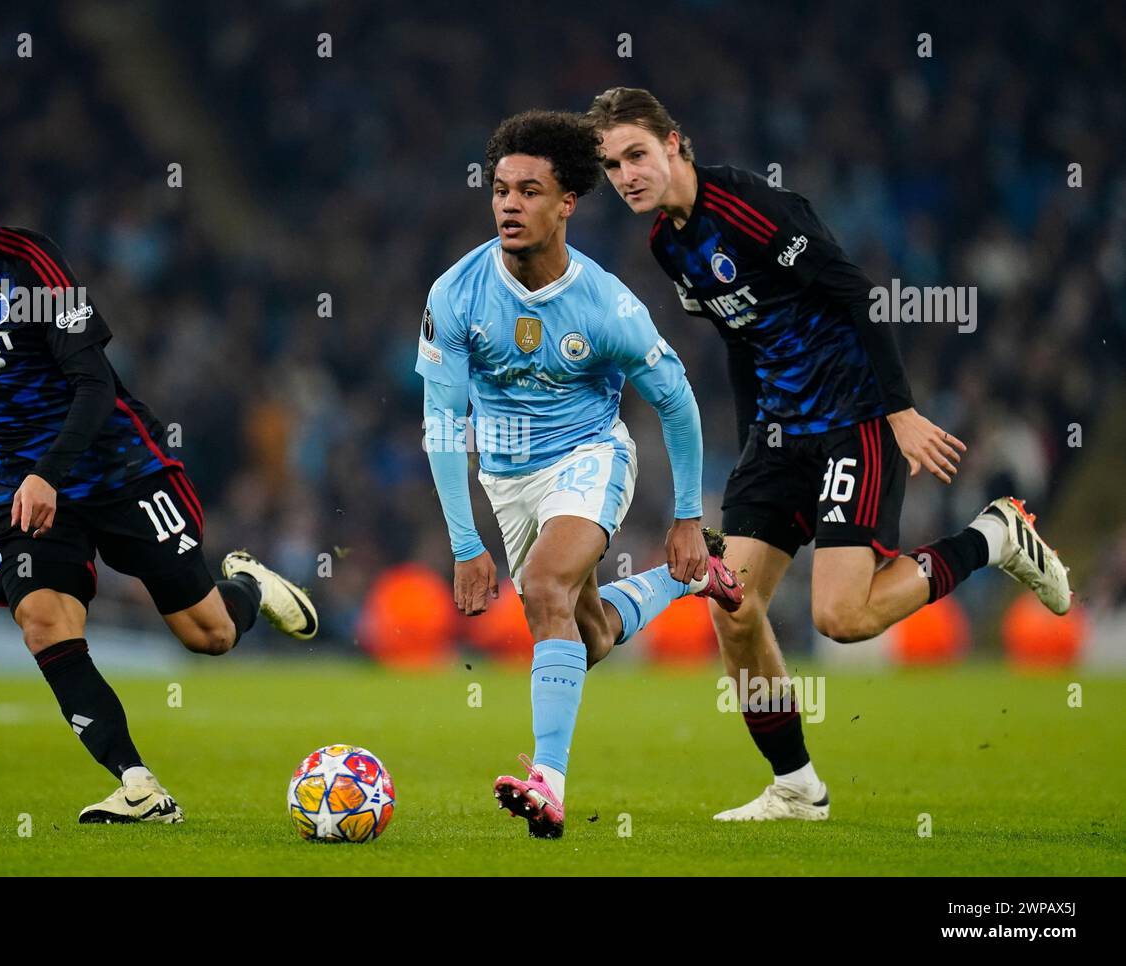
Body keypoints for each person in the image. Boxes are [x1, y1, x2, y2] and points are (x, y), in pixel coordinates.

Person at [588, 88, 1072, 821]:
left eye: (636, 154)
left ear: (674, 144)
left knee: (842, 619)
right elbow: (738, 338)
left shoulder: (749, 208)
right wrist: (755, 439)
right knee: (733, 603)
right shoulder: (667, 244)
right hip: (782, 435)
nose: (626, 174)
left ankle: (993, 536)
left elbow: (855, 293)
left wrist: (900, 410)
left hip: (855, 420)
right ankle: (797, 788)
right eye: (611, 164)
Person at [0, 137, 319, 824]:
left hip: (119, 468)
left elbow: (93, 384)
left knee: (206, 635)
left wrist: (47, 472)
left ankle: (247, 586)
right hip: (23, 493)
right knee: (43, 619)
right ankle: (138, 784)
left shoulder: (32, 269)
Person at [416, 111, 741, 839]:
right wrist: (465, 543)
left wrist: (687, 514)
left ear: (567, 203)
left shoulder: (607, 307)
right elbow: (442, 423)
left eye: (529, 191)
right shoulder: (455, 294)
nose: (508, 204)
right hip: (506, 478)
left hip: (589, 459)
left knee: (542, 588)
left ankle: (548, 783)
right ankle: (686, 578)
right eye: (500, 189)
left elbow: (678, 403)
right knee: (584, 634)